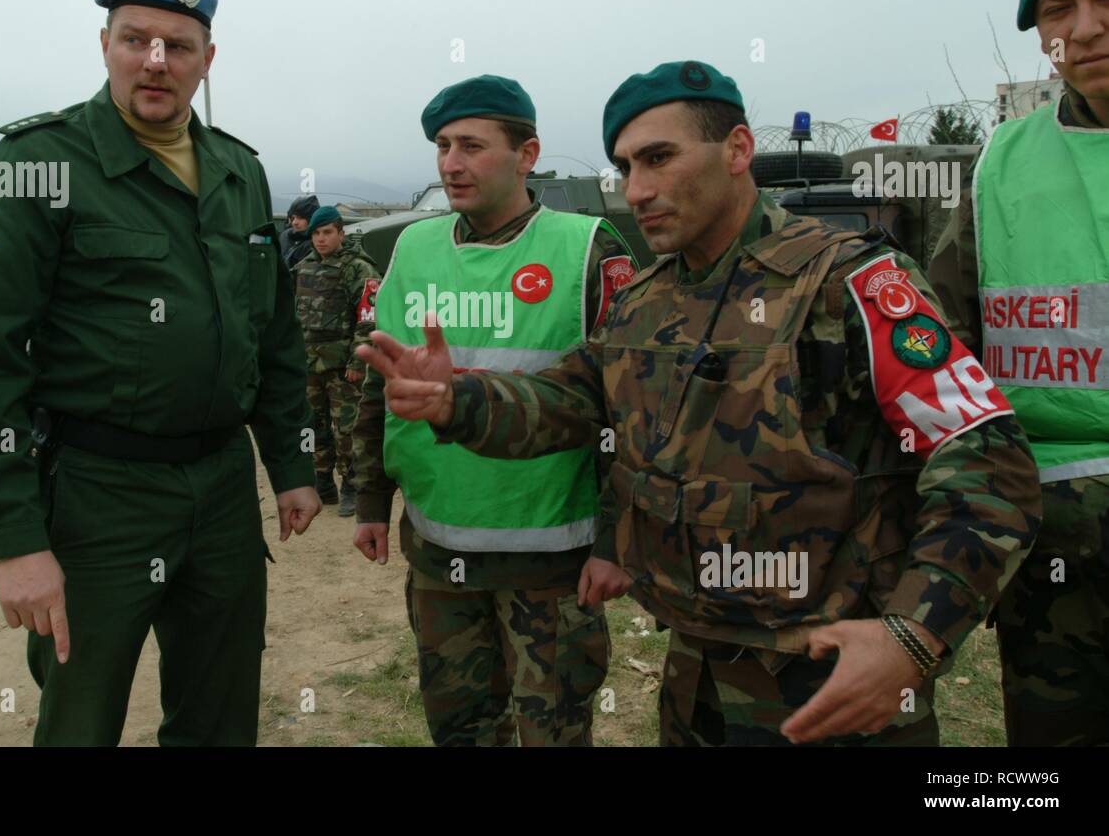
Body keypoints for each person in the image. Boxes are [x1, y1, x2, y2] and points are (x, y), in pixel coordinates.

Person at [359, 61, 1043, 747]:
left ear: (738, 150)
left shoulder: (851, 283)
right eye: (626, 167)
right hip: (697, 674)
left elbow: (988, 462)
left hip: (831, 675)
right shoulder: (646, 300)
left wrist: (912, 636)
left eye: (659, 158)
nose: (639, 189)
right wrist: (459, 400)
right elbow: (570, 398)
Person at [0, 0, 319, 746]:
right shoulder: (40, 164)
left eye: (178, 45)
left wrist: (293, 466)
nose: (156, 60)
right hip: (97, 498)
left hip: (219, 491)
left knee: (220, 715)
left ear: (206, 60)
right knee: (81, 718)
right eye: (135, 39)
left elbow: (273, 337)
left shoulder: (239, 172)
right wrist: (14, 539)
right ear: (105, 46)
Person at [351, 74, 638, 746]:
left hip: (551, 559)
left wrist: (615, 538)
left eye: (472, 146)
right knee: (461, 728)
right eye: (443, 146)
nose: (451, 162)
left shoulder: (588, 248)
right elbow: (376, 384)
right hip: (438, 551)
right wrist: (370, 499)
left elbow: (630, 413)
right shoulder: (412, 251)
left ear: (527, 154)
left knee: (553, 734)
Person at [928, 0, 1109, 746]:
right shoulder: (1004, 161)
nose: (1084, 28)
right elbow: (945, 337)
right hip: (1051, 532)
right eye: (1057, 10)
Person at [294, 205, 380, 516]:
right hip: (309, 364)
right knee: (313, 426)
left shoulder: (359, 269)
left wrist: (358, 362)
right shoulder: (302, 267)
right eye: (316, 233)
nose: (320, 239)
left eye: (327, 232)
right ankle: (322, 482)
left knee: (348, 428)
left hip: (344, 366)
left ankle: (351, 486)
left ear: (341, 234)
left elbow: (369, 318)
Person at [281, 194, 320, 272]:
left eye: (300, 218)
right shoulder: (286, 236)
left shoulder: (315, 244)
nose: (295, 222)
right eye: (293, 218)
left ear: (311, 219)